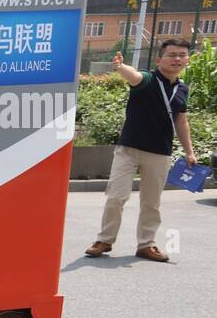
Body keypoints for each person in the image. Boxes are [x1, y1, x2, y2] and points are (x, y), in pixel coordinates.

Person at [85, 39, 198, 262]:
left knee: (151, 202)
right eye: (172, 54)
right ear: (159, 60)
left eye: (182, 55)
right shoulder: (148, 79)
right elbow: (133, 76)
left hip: (160, 152)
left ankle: (146, 244)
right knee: (116, 196)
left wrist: (190, 151)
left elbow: (182, 121)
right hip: (129, 149)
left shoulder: (182, 89)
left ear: (187, 60)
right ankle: (105, 240)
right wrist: (120, 67)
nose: (177, 59)